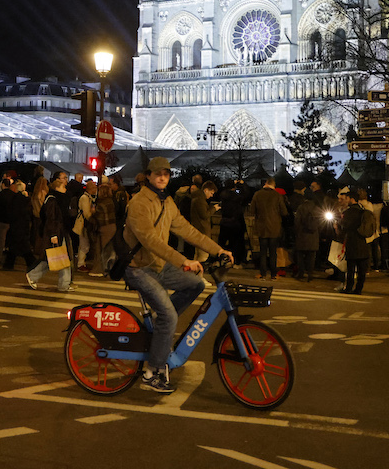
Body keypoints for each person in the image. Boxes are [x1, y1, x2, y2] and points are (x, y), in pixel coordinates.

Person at [123, 157, 232, 393]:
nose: (163, 177)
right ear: (149, 176)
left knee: (196, 284)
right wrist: (184, 260)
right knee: (170, 317)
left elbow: (187, 230)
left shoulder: (167, 201)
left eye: (166, 174)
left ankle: (161, 321)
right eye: (157, 173)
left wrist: (218, 249)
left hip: (159, 266)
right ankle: (151, 373)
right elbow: (150, 241)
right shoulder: (139, 203)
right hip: (138, 268)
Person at [25, 172, 76, 292]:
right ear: (58, 187)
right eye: (63, 186)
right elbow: (51, 219)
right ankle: (36, 276)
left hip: (58, 232)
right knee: (57, 258)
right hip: (56, 233)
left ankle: (63, 283)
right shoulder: (53, 200)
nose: (65, 188)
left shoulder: (54, 199)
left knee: (56, 258)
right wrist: (53, 235)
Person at [337, 187, 373, 294]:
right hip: (363, 242)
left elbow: (345, 227)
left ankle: (349, 288)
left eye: (347, 198)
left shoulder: (349, 212)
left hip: (352, 242)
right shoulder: (363, 211)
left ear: (351, 199)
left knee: (351, 268)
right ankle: (358, 289)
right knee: (362, 269)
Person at [250, 177, 287, 280]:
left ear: (266, 184)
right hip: (274, 227)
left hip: (261, 227)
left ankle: (262, 273)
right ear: (273, 185)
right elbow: (284, 212)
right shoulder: (277, 195)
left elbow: (252, 210)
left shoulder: (257, 194)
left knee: (262, 251)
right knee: (273, 252)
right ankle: (274, 274)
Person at [1, 180, 37, 271]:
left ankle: (29, 262)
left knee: (19, 246)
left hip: (17, 225)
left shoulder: (15, 199)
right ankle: (28, 263)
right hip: (22, 225)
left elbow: (11, 213)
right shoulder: (26, 200)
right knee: (19, 246)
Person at [291, 180, 321, 281]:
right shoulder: (316, 208)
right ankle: (310, 274)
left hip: (302, 235)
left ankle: (301, 273)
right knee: (311, 257)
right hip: (313, 235)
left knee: (300, 256)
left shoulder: (301, 207)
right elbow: (321, 222)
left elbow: (297, 222)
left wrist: (297, 232)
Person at [189, 180, 217, 262]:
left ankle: (195, 274)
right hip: (202, 230)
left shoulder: (197, 198)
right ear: (206, 190)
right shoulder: (200, 200)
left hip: (198, 229)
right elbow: (204, 215)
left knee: (198, 255)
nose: (211, 195)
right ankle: (198, 274)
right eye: (211, 193)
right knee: (203, 256)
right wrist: (214, 209)